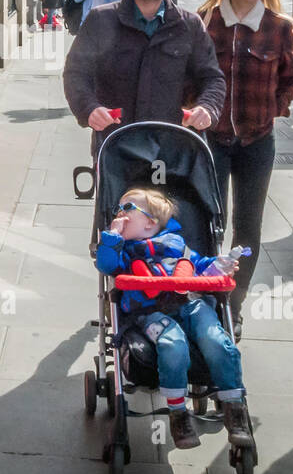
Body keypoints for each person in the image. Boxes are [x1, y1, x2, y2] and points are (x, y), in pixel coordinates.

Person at [93, 186, 250, 450]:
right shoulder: (124, 252)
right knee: (172, 344)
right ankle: (178, 414)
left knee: (216, 339)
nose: (120, 213)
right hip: (150, 313)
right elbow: (106, 264)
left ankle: (235, 409)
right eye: (119, 208)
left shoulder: (180, 247)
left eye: (128, 208)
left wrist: (222, 265)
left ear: (150, 223)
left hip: (191, 305)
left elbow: (203, 268)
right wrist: (111, 236)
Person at [199, 0, 293, 341]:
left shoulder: (279, 26)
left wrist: (272, 109)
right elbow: (191, 74)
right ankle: (205, 301)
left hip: (257, 141)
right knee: (210, 223)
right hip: (212, 139)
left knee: (247, 230)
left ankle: (233, 305)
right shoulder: (206, 22)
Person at [63, 0, 224, 154]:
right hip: (116, 147)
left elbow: (213, 78)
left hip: (174, 148)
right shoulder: (101, 20)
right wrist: (89, 108)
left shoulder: (189, 25)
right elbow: (75, 73)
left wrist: (207, 107)